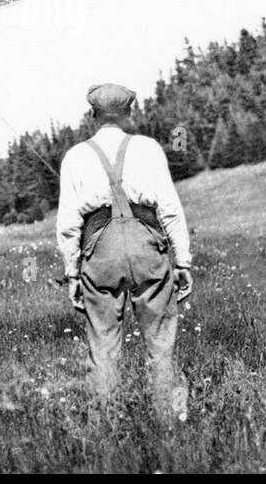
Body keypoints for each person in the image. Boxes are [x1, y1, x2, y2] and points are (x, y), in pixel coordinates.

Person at [55, 83, 193, 417]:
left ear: (93, 115)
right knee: (161, 343)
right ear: (129, 112)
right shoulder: (148, 148)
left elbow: (68, 222)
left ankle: (109, 426)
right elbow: (170, 209)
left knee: (102, 347)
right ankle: (169, 421)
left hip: (99, 247)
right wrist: (183, 261)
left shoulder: (75, 156)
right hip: (147, 243)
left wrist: (72, 272)